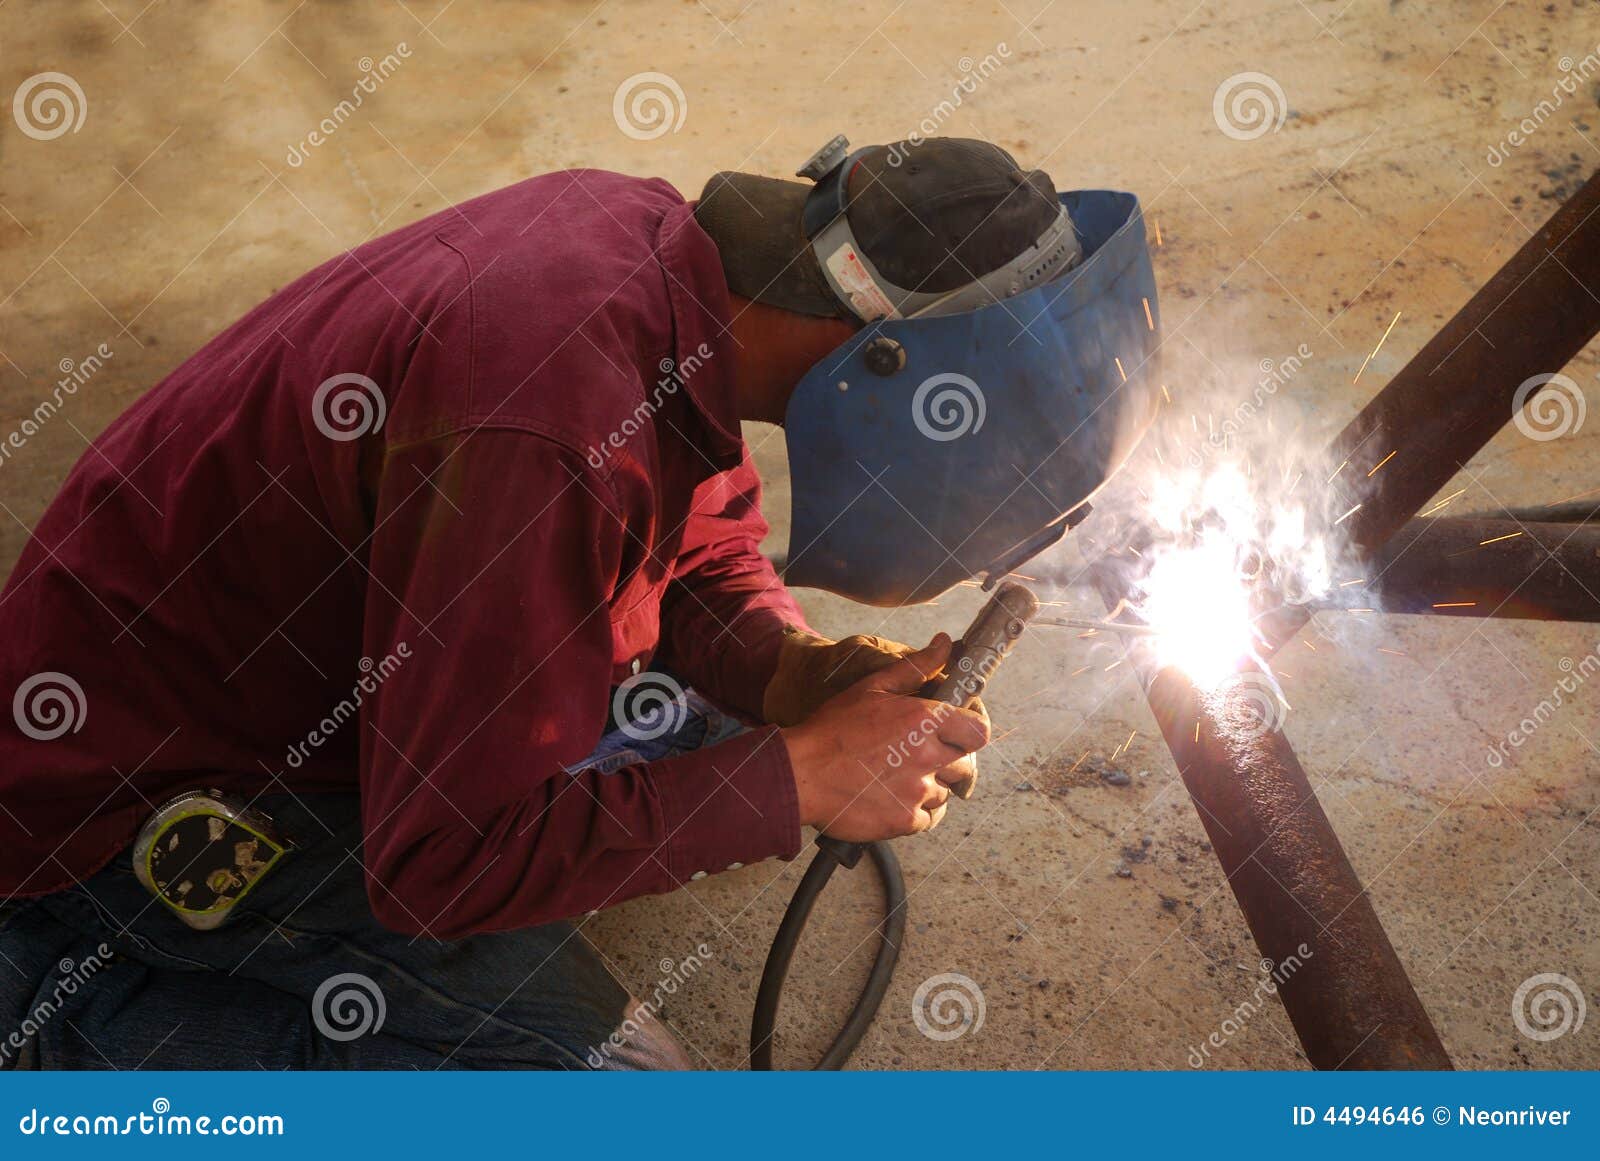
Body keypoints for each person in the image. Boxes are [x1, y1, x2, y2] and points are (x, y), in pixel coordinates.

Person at [0, 136, 1155, 1068]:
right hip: (142, 811)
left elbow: (694, 543)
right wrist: (800, 774)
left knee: (707, 729)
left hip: (346, 647)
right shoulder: (545, 429)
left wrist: (789, 671)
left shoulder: (659, 262)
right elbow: (439, 861)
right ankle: (85, 1023)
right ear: (885, 358)